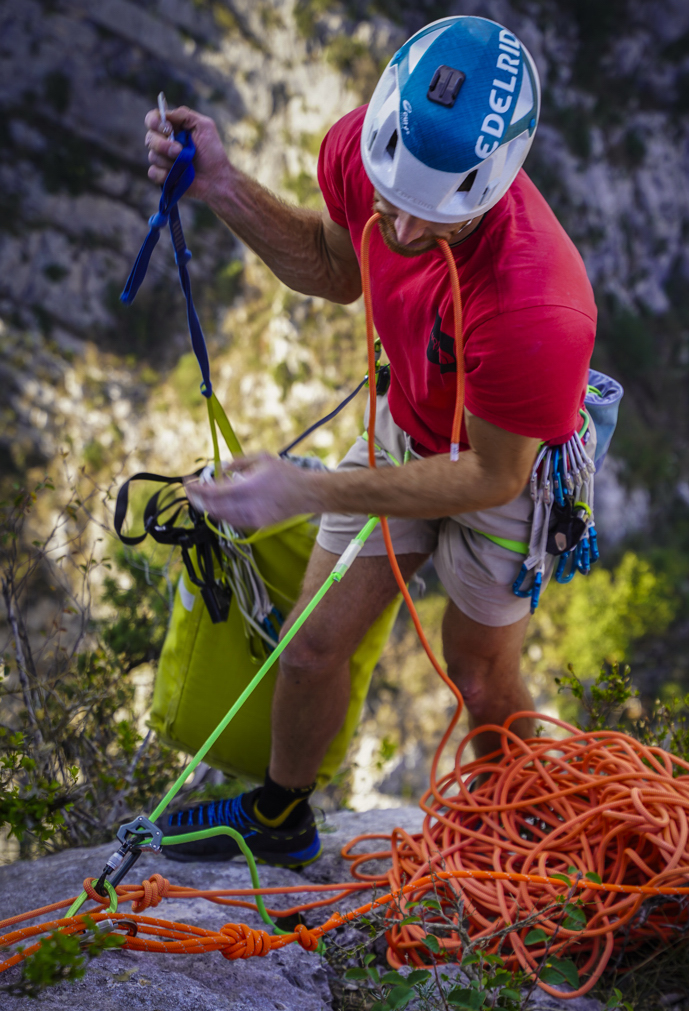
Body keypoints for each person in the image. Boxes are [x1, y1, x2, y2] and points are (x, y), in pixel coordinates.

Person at [144, 15, 597, 867]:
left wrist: (307, 487)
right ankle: (280, 818)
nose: (399, 231)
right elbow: (335, 266)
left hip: (509, 468)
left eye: (432, 222)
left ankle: (544, 838)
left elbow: (491, 476)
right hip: (407, 422)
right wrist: (224, 186)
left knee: (479, 678)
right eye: (392, 203)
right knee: (311, 646)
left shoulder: (539, 304)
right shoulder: (362, 152)